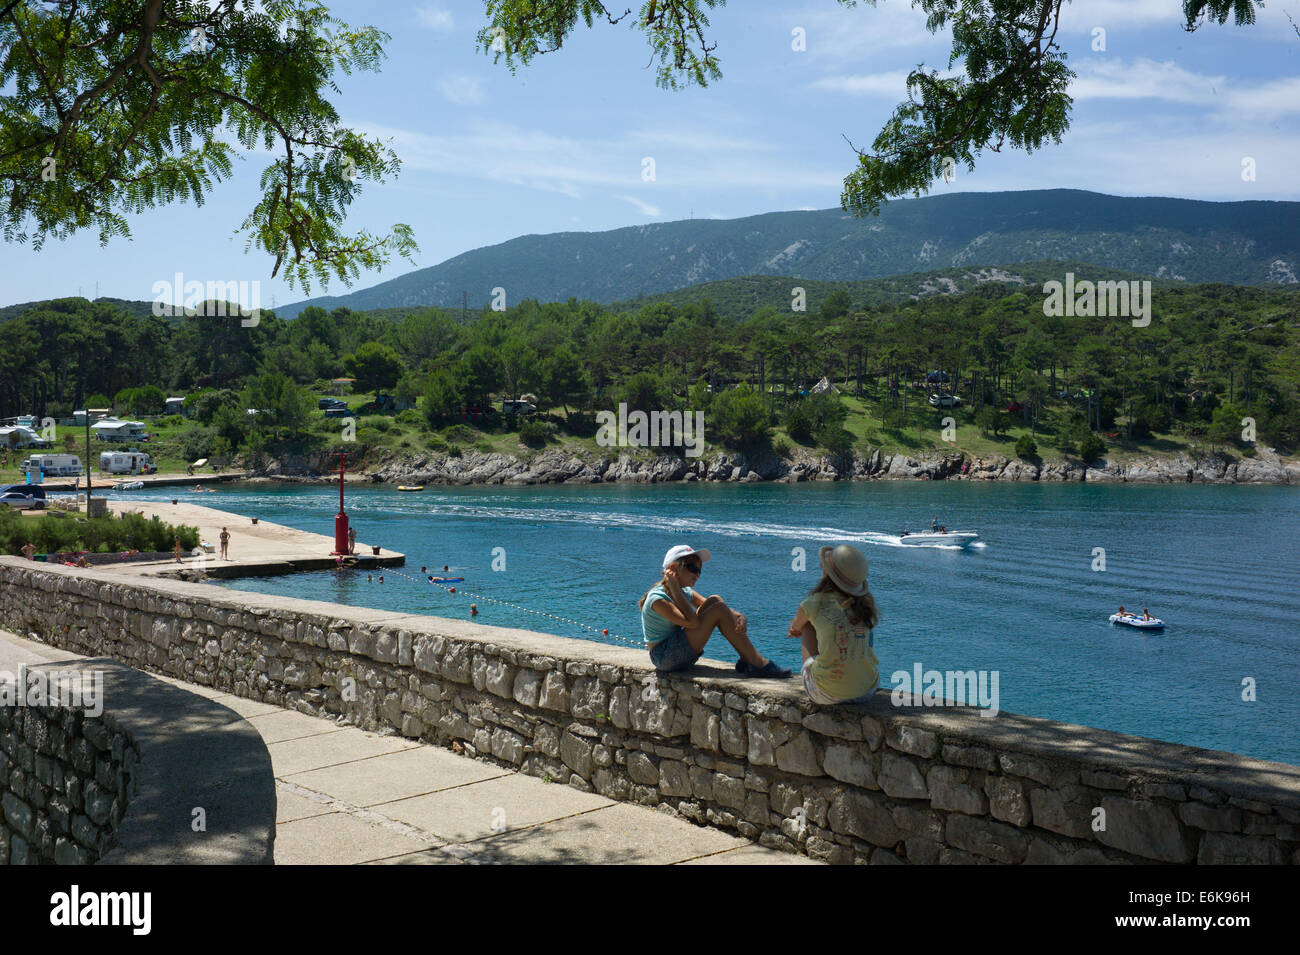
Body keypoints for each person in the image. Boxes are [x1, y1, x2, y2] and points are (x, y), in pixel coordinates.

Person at [638, 544, 790, 677]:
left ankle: (746, 659)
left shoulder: (683, 591)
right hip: (664, 657)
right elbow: (692, 623)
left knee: (715, 600)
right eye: (692, 568)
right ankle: (758, 663)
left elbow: (714, 605)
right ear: (672, 569)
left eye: (699, 570)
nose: (697, 574)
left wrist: (739, 616)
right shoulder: (658, 600)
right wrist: (677, 593)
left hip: (677, 650)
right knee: (716, 608)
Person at [787, 545, 880, 705]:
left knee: (807, 624)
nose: (819, 566)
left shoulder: (813, 604)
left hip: (826, 693)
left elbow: (795, 627)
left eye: (823, 565)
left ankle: (826, 674)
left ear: (827, 573)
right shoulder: (866, 607)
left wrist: (799, 628)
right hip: (867, 689)